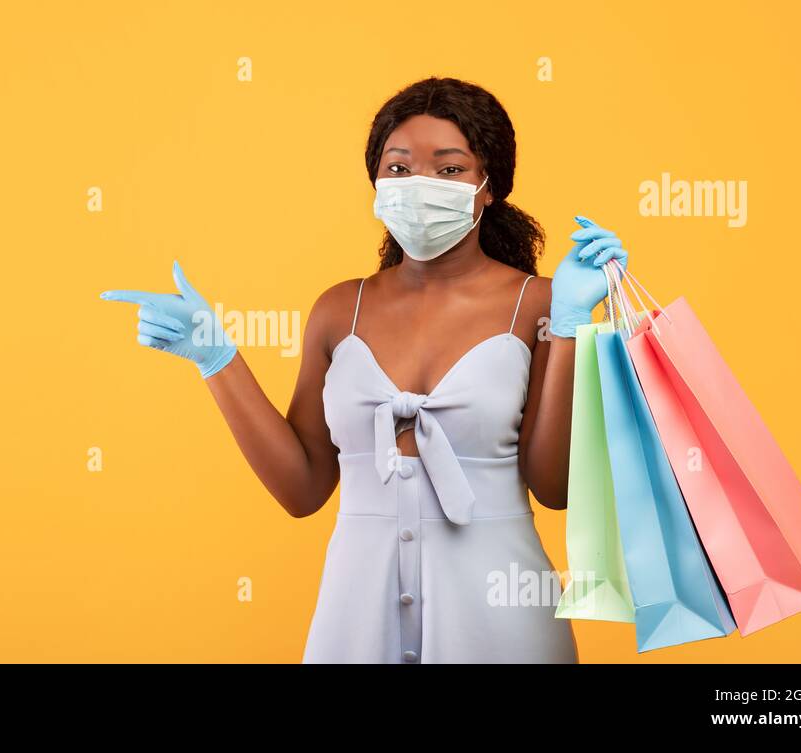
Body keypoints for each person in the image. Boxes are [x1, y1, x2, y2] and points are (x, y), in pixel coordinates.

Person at [101, 77, 627, 663]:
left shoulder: (539, 305)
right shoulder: (338, 309)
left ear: (488, 187)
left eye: (448, 169)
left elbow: (553, 487)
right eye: (399, 168)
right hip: (353, 622)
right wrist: (217, 359)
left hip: (500, 621)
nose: (419, 184)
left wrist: (575, 324)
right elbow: (302, 489)